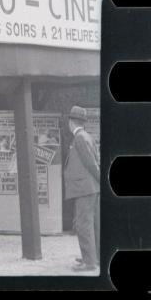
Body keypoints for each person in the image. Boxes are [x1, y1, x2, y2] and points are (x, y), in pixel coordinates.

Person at [64, 106, 100, 272]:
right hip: (90, 188)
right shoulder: (88, 136)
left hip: (84, 188)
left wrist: (100, 179)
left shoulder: (78, 138)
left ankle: (89, 262)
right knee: (92, 224)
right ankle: (93, 257)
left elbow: (90, 163)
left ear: (71, 122)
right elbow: (95, 160)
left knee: (83, 225)